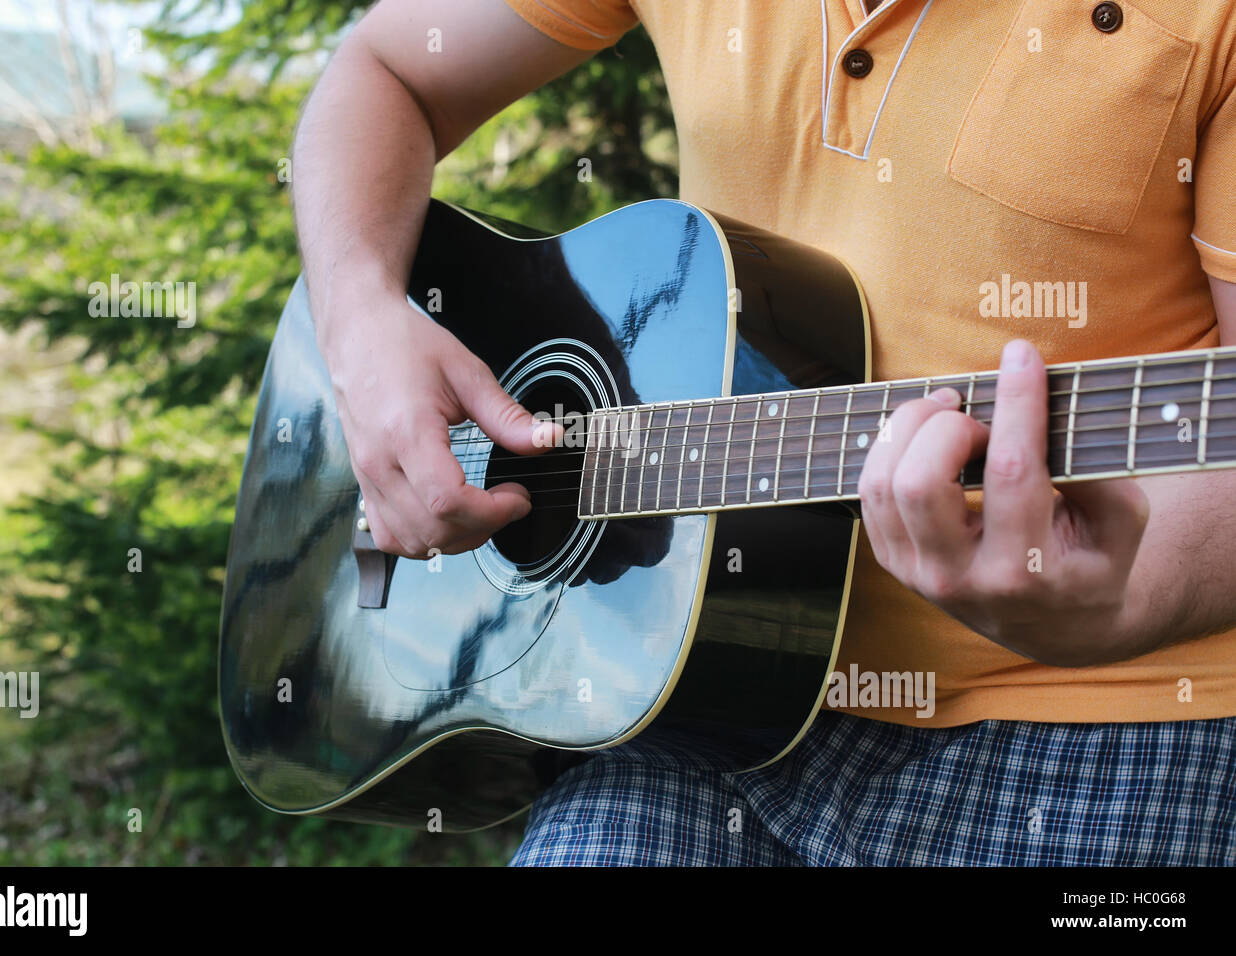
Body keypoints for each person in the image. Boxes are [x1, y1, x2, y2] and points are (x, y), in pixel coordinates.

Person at [291, 0, 1236, 865]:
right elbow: (386, 72)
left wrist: (1117, 603)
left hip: (1115, 714)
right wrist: (361, 316)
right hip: (702, 679)